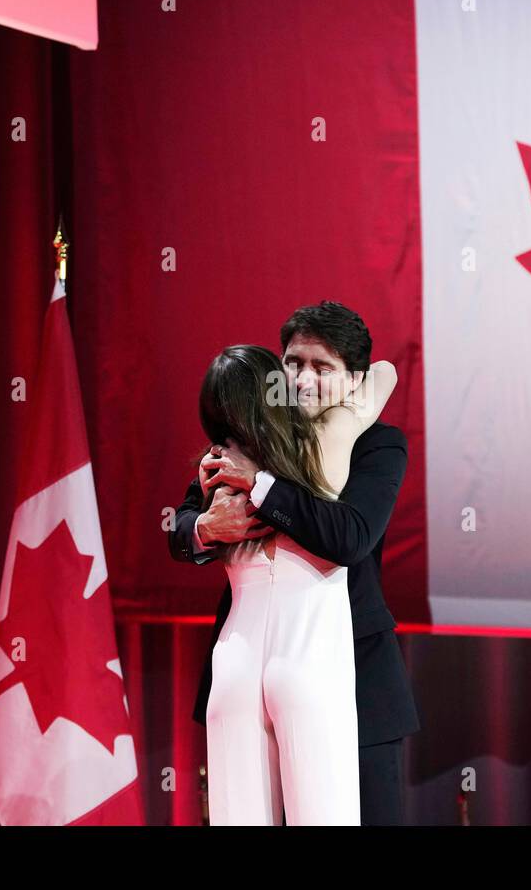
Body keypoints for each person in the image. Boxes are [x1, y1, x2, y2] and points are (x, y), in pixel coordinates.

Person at [168, 302, 421, 824]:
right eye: (291, 363)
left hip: (355, 680)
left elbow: (348, 537)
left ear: (354, 381)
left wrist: (261, 487)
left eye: (321, 367)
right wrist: (203, 529)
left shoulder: (378, 446)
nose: (301, 379)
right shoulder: (248, 437)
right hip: (248, 667)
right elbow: (184, 521)